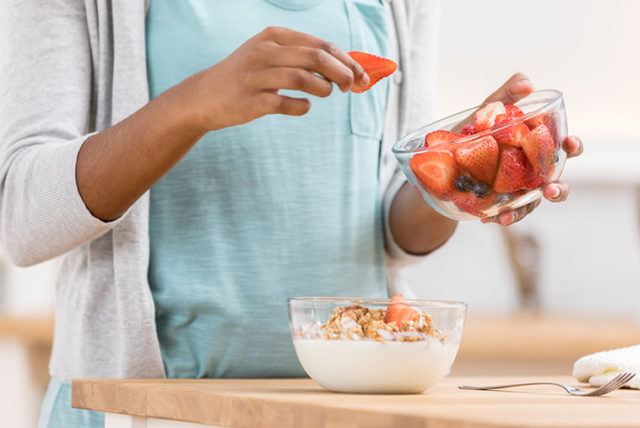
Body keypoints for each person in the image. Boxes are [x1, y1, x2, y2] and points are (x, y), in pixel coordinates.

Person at [0, 1, 582, 427]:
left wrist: (461, 172)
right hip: (147, 412)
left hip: (346, 411)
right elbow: (24, 219)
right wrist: (191, 105)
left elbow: (388, 227)